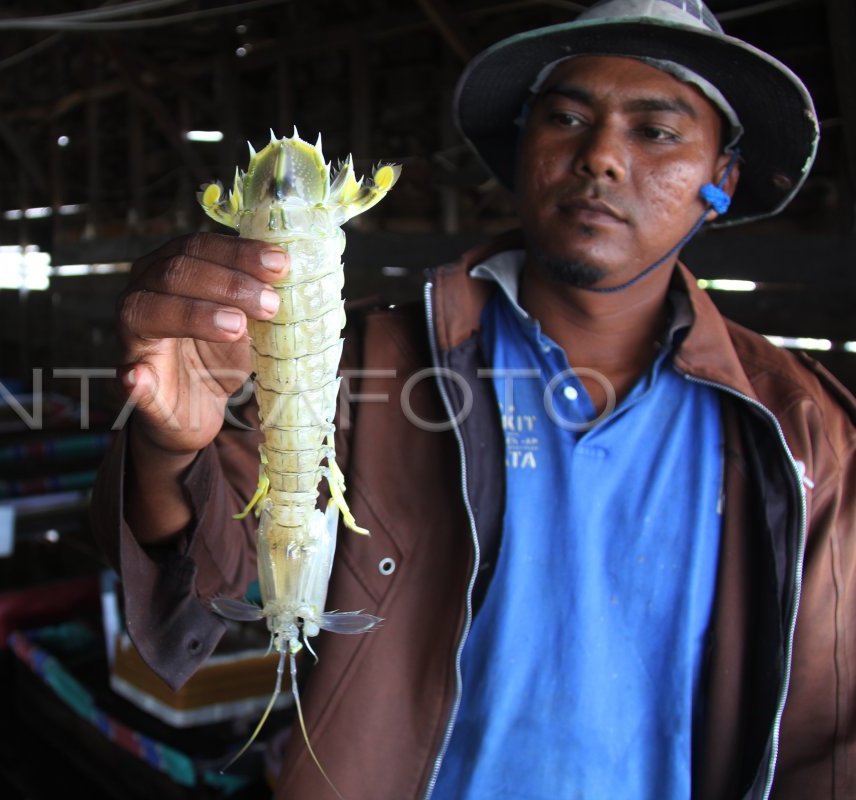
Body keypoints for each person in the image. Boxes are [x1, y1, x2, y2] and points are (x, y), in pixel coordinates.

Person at [91, 1, 856, 797]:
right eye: (566, 116)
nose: (599, 157)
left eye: (655, 132)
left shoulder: (805, 437)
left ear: (720, 181)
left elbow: (829, 740)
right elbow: (200, 568)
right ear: (524, 145)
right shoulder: (364, 365)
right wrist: (168, 448)